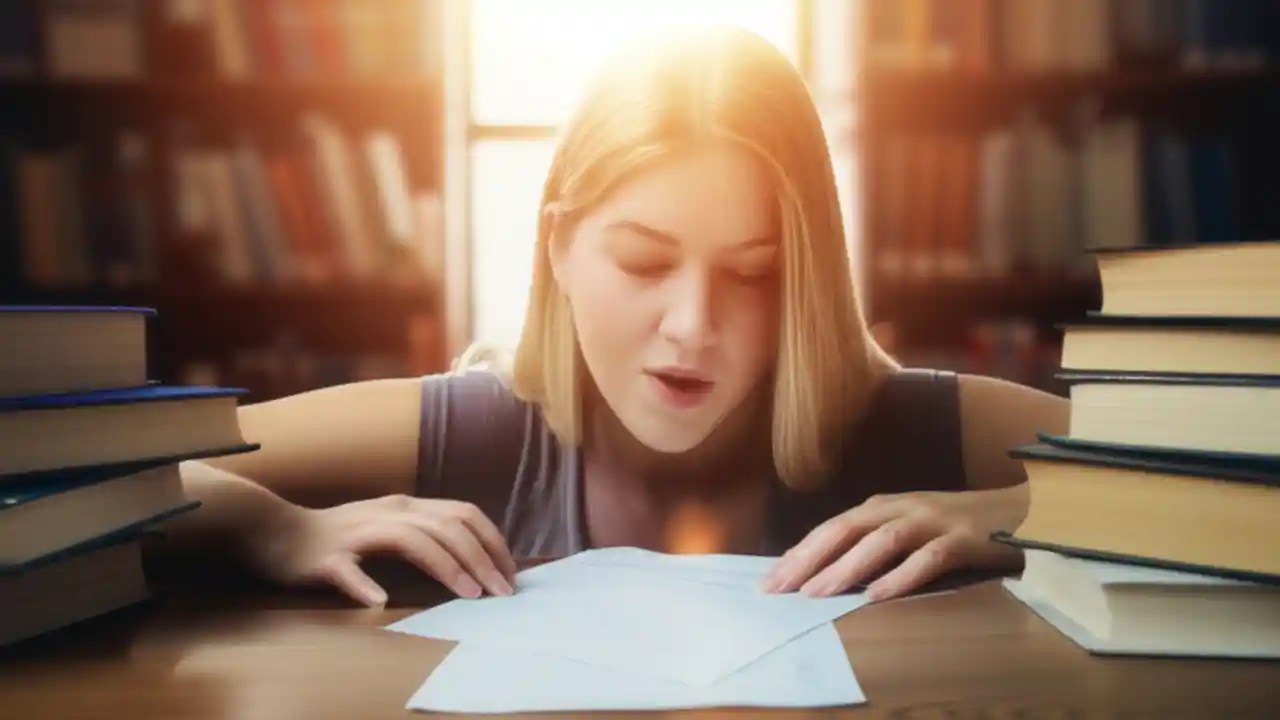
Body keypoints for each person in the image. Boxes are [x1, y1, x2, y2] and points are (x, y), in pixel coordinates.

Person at [165, 26, 1067, 609]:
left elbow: (1208, 469)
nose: (691, 325)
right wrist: (275, 527)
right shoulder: (485, 424)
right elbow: (105, 466)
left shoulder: (900, 419)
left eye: (754, 275)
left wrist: (1017, 513)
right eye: (642, 262)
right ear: (558, 247)